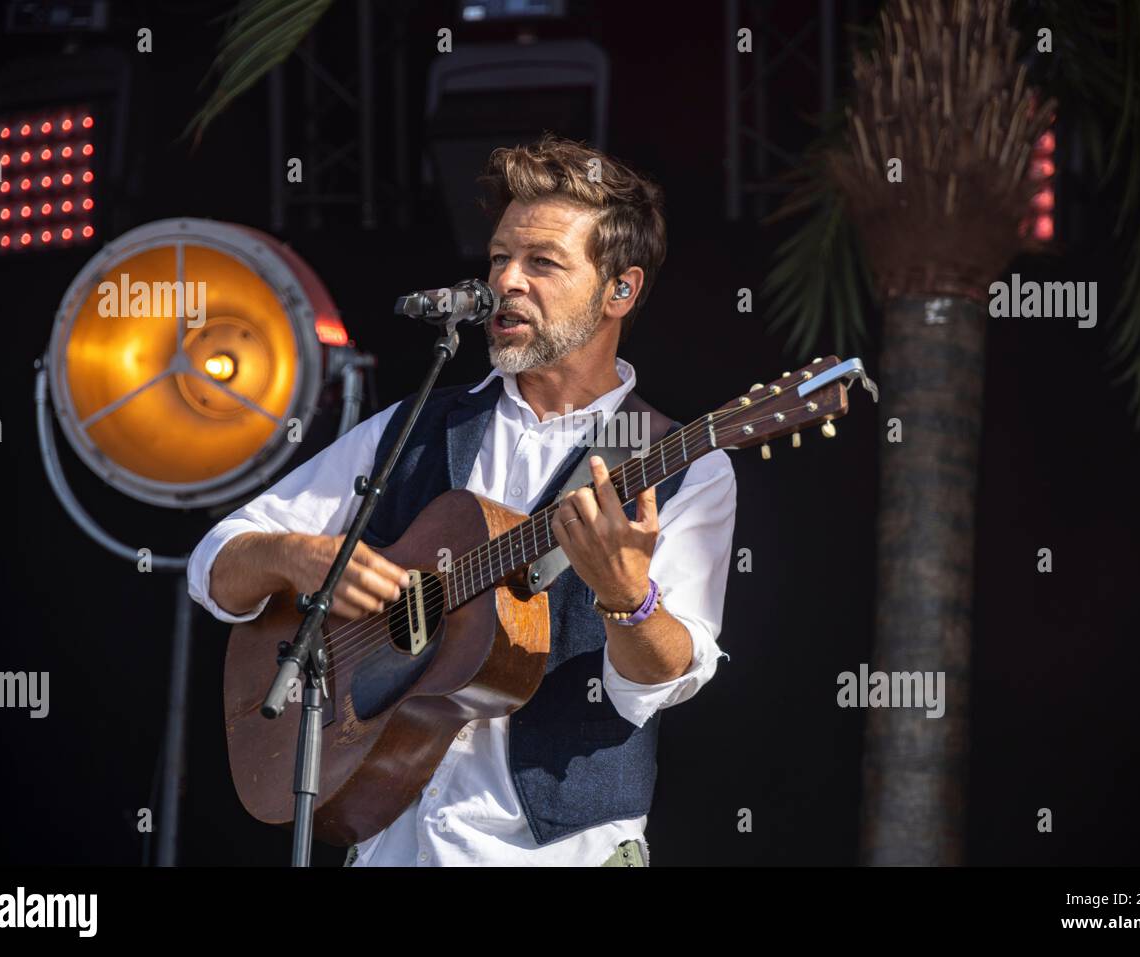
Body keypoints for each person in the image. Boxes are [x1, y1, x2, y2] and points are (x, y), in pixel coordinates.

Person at [187, 134, 737, 866]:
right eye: (500, 258)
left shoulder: (683, 465)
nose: (507, 280)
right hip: (390, 840)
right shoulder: (412, 427)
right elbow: (213, 564)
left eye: (542, 262)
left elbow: (667, 678)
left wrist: (628, 598)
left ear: (620, 290)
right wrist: (299, 553)